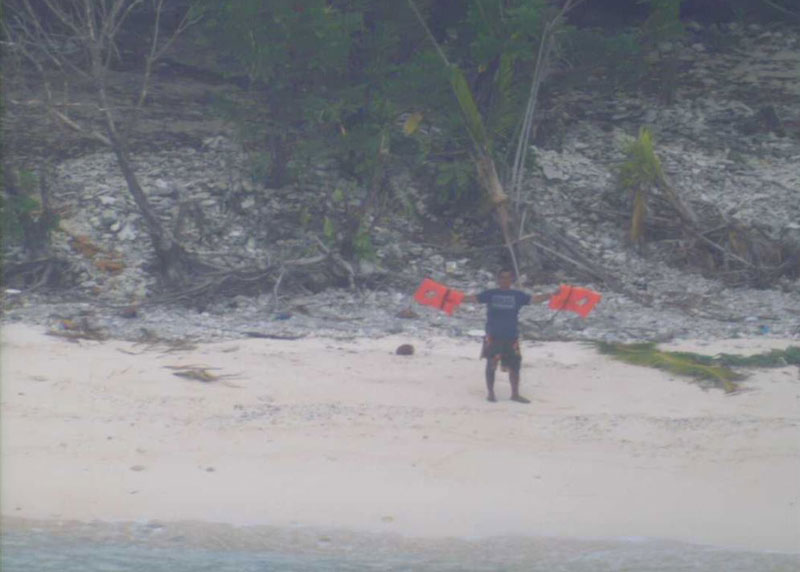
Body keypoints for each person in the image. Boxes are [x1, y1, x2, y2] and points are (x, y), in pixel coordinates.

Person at [465, 269, 552, 404]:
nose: (505, 280)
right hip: (493, 335)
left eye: (508, 278)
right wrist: (448, 295)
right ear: (498, 280)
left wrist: (552, 295)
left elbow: (535, 299)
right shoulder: (491, 294)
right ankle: (491, 393)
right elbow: (472, 299)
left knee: (515, 367)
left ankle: (515, 394)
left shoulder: (517, 295)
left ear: (512, 280)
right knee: (491, 365)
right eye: (502, 278)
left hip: (511, 336)